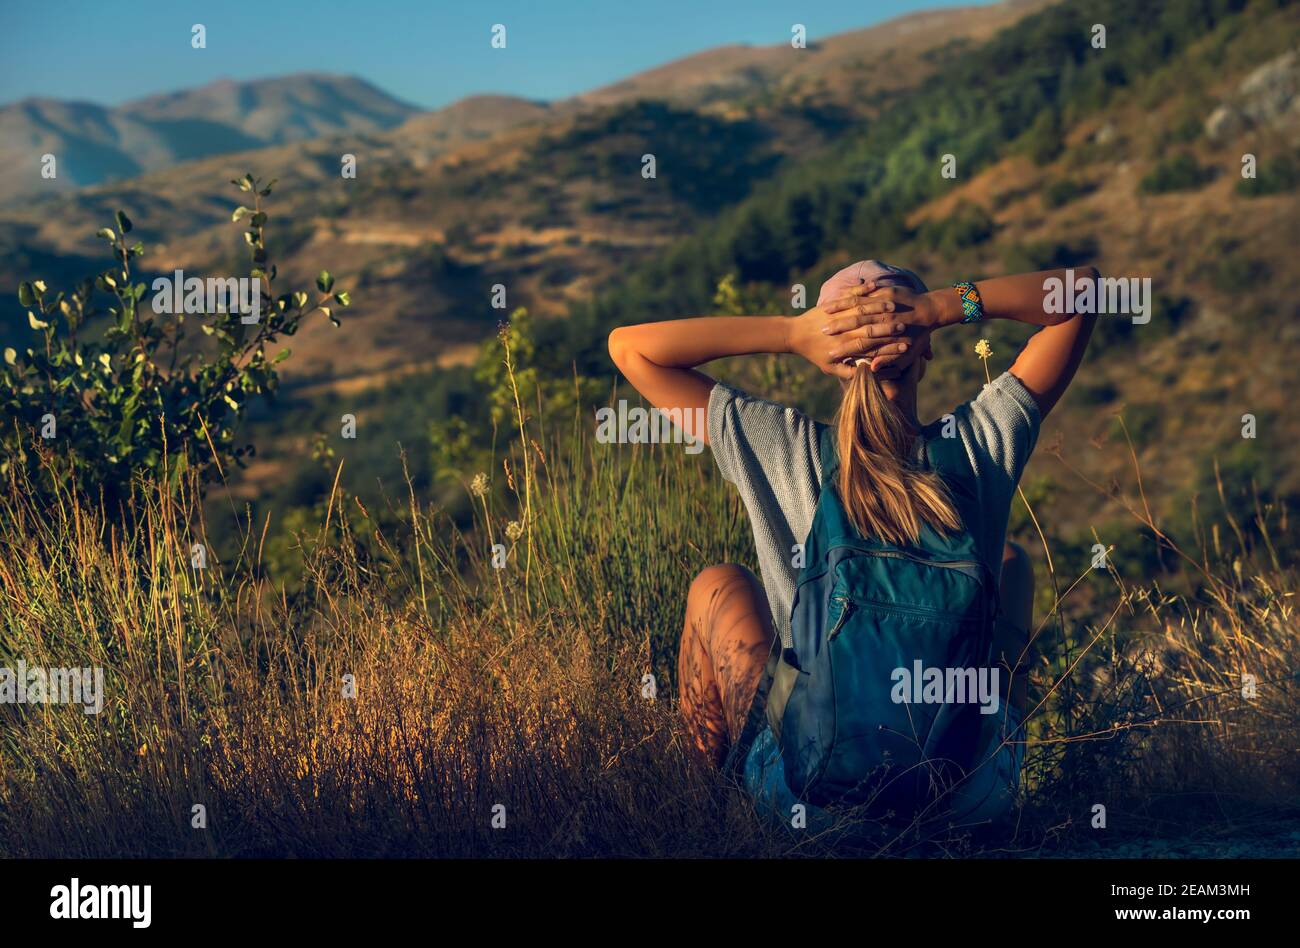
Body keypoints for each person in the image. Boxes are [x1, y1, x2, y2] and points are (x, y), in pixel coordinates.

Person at [607, 260, 1097, 827]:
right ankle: (981, 753)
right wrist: (939, 308)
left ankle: (710, 814)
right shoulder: (979, 444)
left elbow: (630, 349)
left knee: (718, 585)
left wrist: (792, 335)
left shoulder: (784, 449)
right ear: (926, 349)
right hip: (965, 799)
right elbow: (1082, 291)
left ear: (832, 362)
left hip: (809, 801)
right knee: (1009, 565)